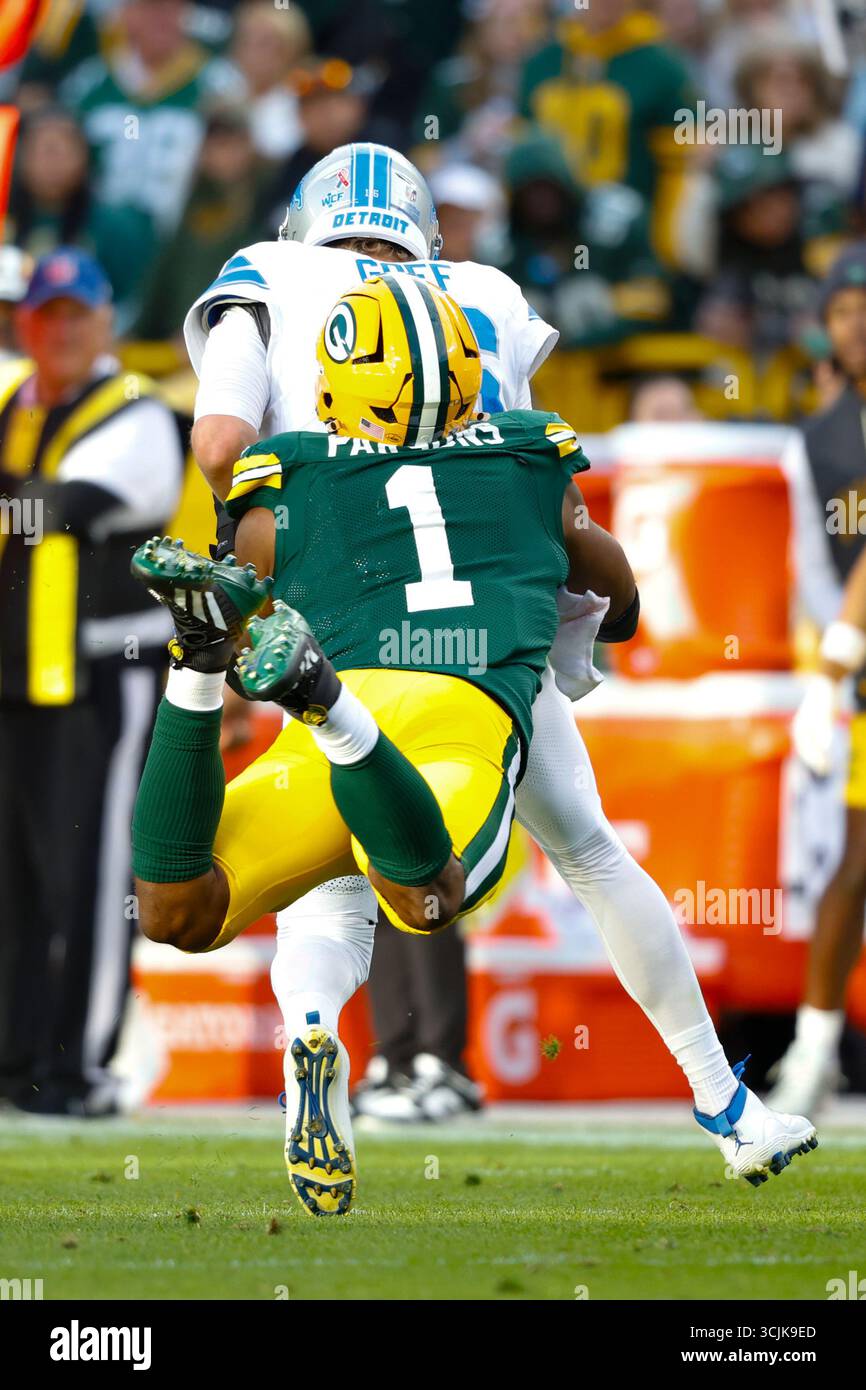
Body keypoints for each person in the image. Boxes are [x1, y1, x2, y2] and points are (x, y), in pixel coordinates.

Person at [184, 141, 809, 1171]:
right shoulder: (480, 288)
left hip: (337, 606)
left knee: (333, 870)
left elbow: (217, 444)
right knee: (589, 851)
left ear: (306, 218)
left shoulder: (271, 278)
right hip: (476, 614)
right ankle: (726, 1107)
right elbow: (545, 489)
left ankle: (316, 1029)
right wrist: (583, 619)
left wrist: (258, 542)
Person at [0, 248, 183, 1116]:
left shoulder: (136, 411)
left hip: (106, 673)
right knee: (16, 883)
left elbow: (67, 508)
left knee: (93, 876)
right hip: (15, 681)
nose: (61, 329)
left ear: (105, 320)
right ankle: (16, 1060)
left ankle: (81, 1066)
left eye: (77, 313)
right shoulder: (16, 405)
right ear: (24, 322)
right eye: (46, 314)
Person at [769, 244, 866, 1116]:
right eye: (845, 309)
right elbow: (812, 566)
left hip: (853, 652)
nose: (859, 322)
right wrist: (823, 676)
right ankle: (815, 1043)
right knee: (856, 858)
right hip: (859, 667)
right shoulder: (819, 439)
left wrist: (835, 656)